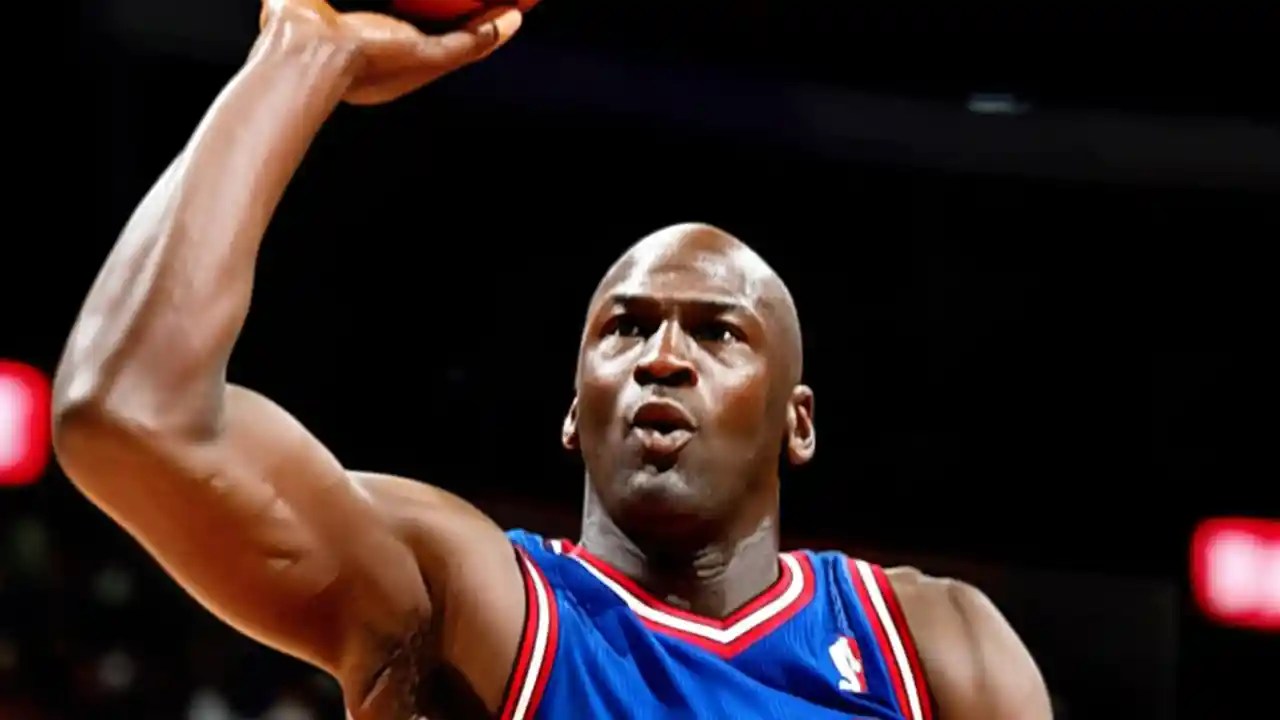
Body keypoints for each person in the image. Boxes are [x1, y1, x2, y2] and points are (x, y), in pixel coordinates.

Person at [51, 0, 1052, 718]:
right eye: (622, 329)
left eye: (716, 332)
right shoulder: (468, 603)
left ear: (796, 422)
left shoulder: (928, 649)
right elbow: (132, 414)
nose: (661, 358)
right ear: (574, 411)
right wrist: (298, 53)